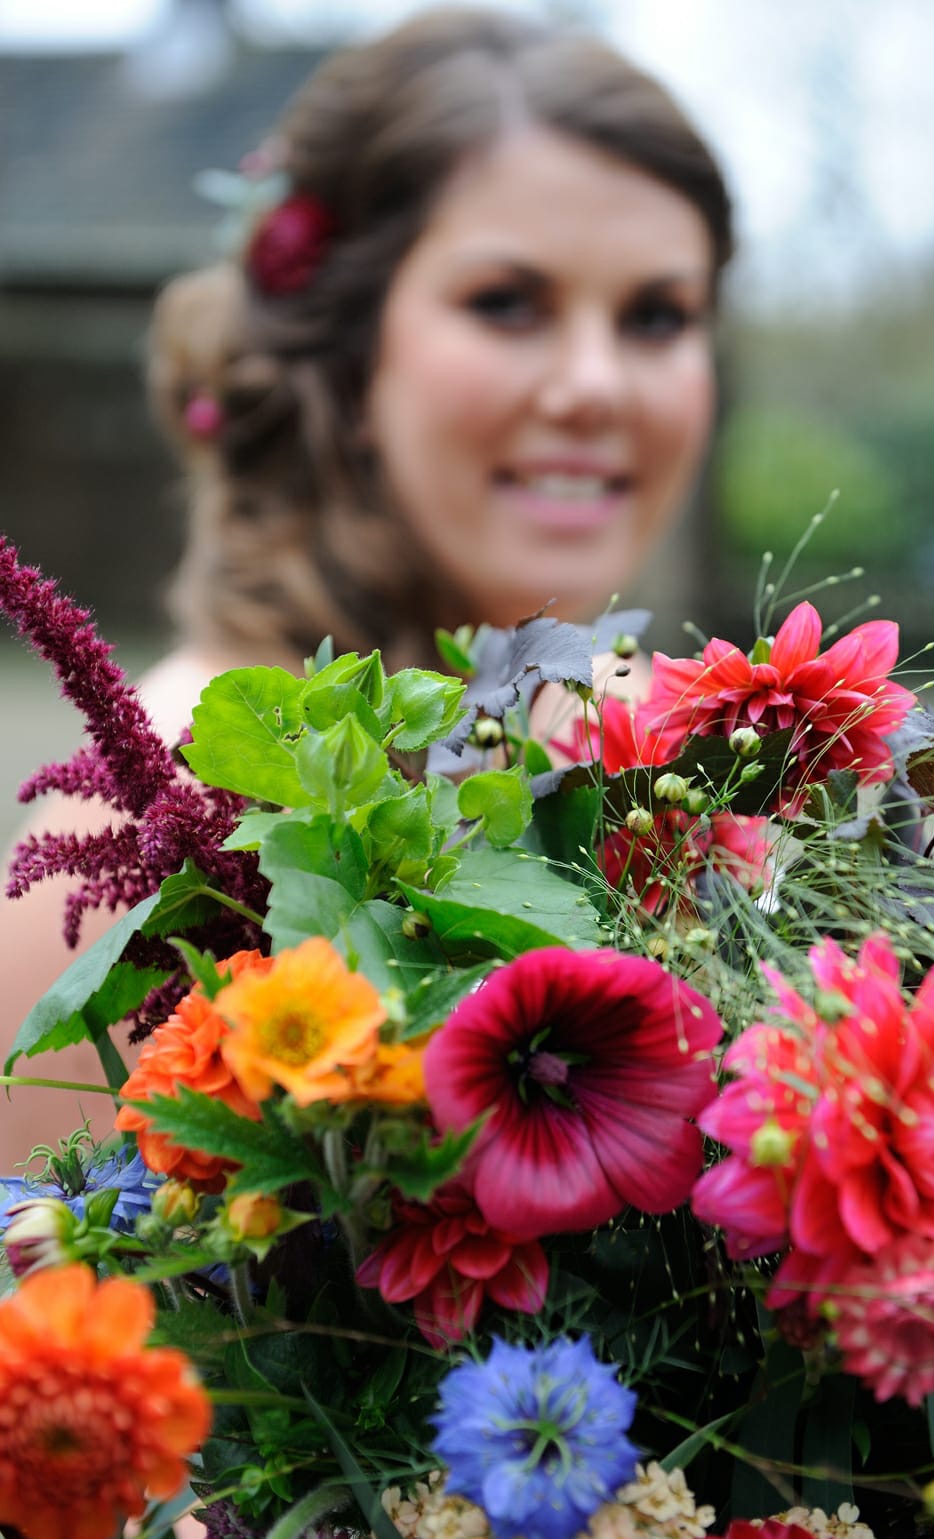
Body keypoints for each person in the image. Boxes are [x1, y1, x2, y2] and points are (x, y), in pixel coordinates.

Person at [0, 4, 732, 1170]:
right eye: (507, 302)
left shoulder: (683, 754)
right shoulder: (156, 829)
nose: (598, 384)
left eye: (657, 315)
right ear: (344, 359)